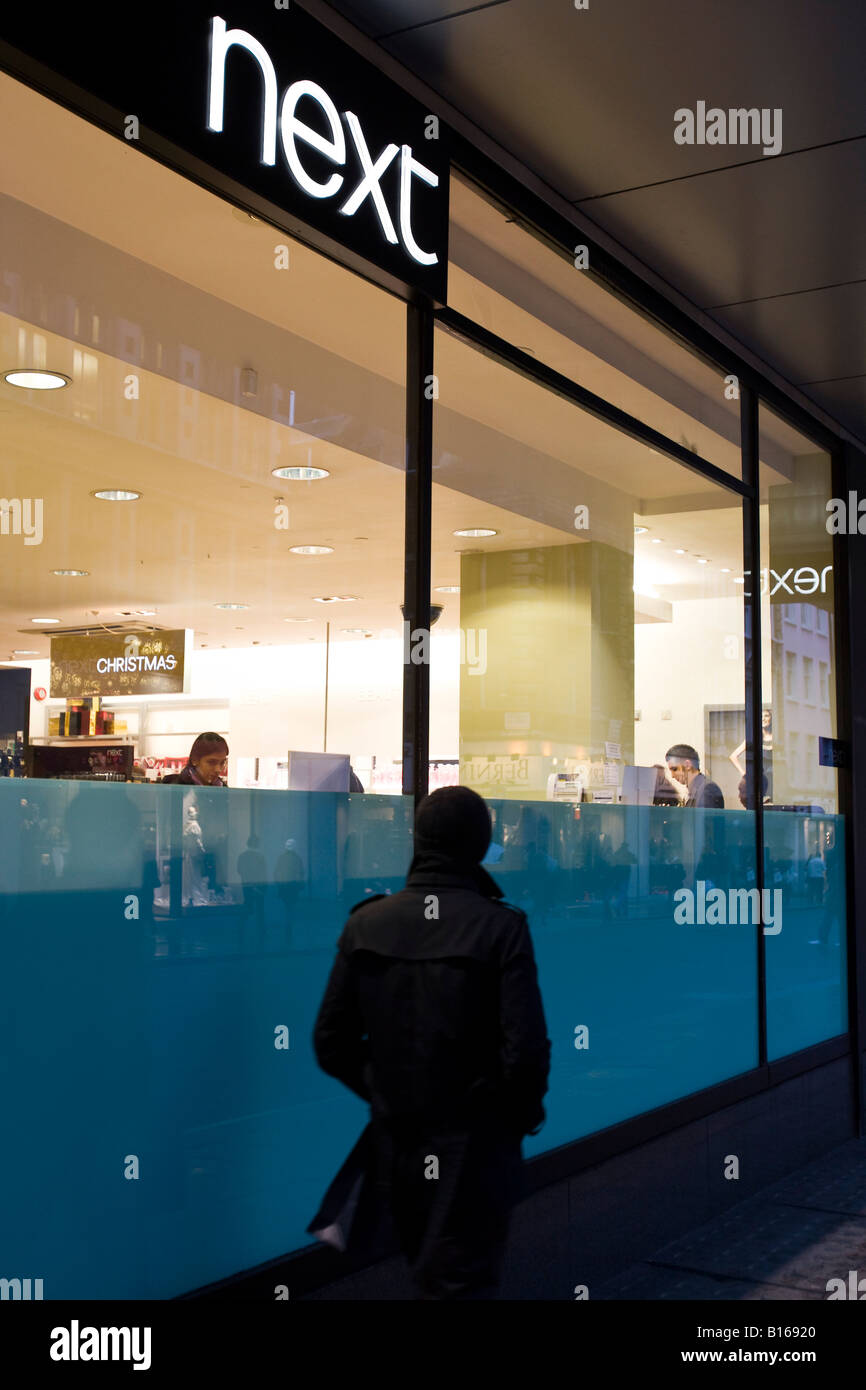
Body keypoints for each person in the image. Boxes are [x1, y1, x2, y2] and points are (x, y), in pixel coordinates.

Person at [311, 785, 551, 1300]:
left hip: (397, 1146)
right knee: (462, 1280)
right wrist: (513, 1117)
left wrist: (386, 1090)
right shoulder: (500, 928)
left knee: (428, 1267)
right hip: (477, 1148)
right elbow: (525, 1050)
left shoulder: (366, 923)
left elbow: (331, 1041)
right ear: (481, 846)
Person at [665, 743, 724, 808]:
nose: (672, 776)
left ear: (687, 765)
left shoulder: (707, 788)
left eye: (675, 769)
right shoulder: (697, 789)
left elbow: (703, 817)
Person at [161, 733, 228, 786]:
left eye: (222, 763)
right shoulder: (173, 788)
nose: (218, 769)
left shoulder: (223, 788)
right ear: (194, 760)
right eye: (211, 762)